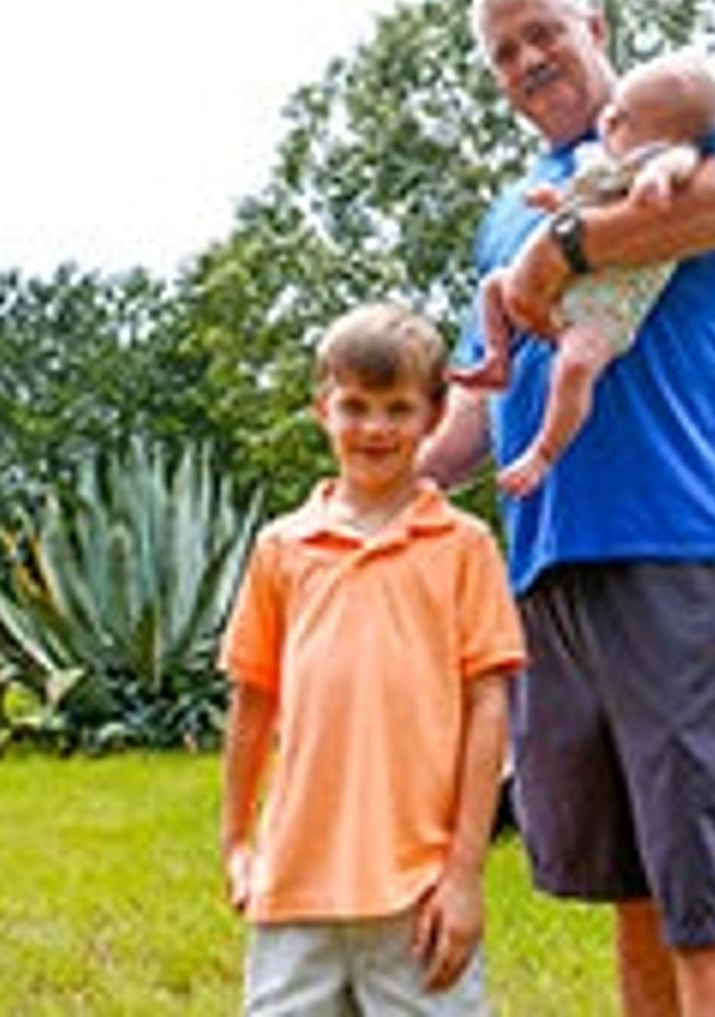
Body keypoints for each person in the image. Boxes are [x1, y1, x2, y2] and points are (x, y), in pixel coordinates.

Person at [422, 0, 715, 1017]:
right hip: (552, 564)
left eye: (541, 33)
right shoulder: (499, 216)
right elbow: (481, 406)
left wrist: (561, 250)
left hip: (677, 541)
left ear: (594, 24)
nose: (527, 62)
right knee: (641, 891)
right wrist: (376, 481)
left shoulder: (682, 123)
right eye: (503, 54)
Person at [219, 300, 526, 1017]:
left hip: (419, 894)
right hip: (292, 888)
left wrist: (464, 876)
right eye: (355, 405)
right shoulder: (281, 549)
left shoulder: (464, 548)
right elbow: (252, 700)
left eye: (397, 407)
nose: (376, 428)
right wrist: (237, 842)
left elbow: (490, 711)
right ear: (322, 407)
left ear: (435, 413)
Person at [451, 48, 715, 498]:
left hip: (605, 306)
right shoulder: (599, 161)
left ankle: (544, 450)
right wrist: (552, 202)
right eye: (612, 113)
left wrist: (657, 178)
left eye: (625, 117)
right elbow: (581, 200)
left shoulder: (667, 156)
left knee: (576, 365)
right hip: (563, 294)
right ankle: (498, 361)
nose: (609, 122)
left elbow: (680, 166)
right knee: (493, 286)